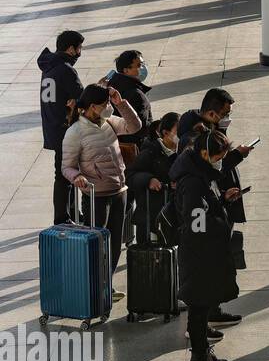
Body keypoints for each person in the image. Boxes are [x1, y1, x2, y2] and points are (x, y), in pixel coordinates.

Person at [175, 88, 253, 326]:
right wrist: (237, 155)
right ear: (210, 112)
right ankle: (204, 321)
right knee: (204, 275)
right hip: (202, 237)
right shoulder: (195, 143)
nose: (227, 117)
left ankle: (213, 309)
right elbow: (211, 171)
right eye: (224, 113)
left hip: (216, 205)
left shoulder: (209, 132)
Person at [61, 84, 142, 301]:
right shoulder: (75, 132)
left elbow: (135, 126)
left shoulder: (109, 123)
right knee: (97, 245)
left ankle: (107, 284)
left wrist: (120, 103)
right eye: (104, 104)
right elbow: (66, 166)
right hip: (96, 197)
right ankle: (93, 287)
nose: (108, 107)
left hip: (119, 191)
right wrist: (77, 177)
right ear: (92, 107)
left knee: (115, 243)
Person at [174, 128, 241, 361]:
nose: (221, 160)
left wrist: (222, 200)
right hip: (199, 254)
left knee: (201, 306)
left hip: (202, 252)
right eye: (218, 156)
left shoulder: (201, 175)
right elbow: (197, 223)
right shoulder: (193, 183)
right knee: (198, 308)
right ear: (204, 153)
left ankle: (202, 353)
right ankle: (199, 359)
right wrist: (219, 221)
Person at [39, 30, 85, 224]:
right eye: (79, 48)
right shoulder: (66, 69)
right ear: (70, 48)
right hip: (65, 129)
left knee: (65, 172)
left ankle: (72, 213)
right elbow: (83, 98)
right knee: (64, 175)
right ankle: (62, 217)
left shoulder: (49, 67)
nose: (80, 52)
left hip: (52, 127)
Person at [126, 113, 180, 246]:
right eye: (178, 131)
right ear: (165, 133)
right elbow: (130, 175)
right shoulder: (150, 151)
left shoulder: (184, 151)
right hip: (151, 217)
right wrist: (148, 180)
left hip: (175, 215)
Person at [110, 50, 153, 145]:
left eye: (143, 64)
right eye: (139, 65)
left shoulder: (112, 85)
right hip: (135, 144)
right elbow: (142, 126)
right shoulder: (136, 94)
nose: (143, 68)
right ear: (126, 70)